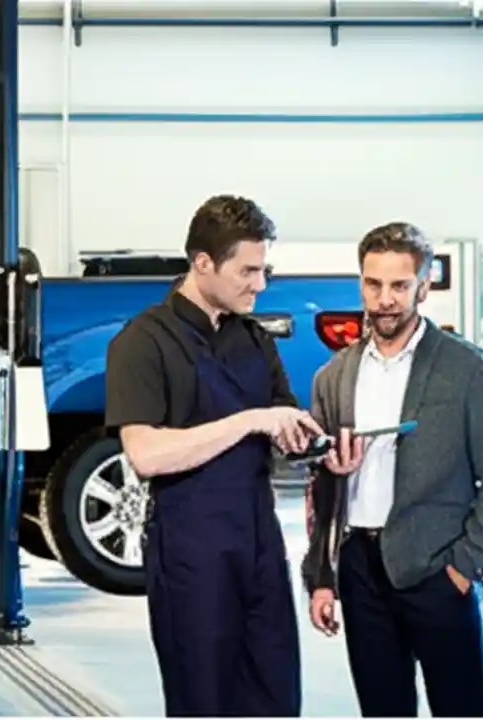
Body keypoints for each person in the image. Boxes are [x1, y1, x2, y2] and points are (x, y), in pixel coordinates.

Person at [105, 194, 322, 717]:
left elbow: (282, 421)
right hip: (191, 550)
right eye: (248, 270)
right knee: (203, 700)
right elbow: (147, 454)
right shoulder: (142, 343)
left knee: (277, 697)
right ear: (203, 264)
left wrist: (314, 444)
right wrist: (251, 420)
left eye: (264, 269)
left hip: (260, 540)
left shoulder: (252, 338)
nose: (260, 284)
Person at [301, 222, 483, 717]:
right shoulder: (333, 377)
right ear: (361, 282)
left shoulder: (468, 369)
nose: (385, 299)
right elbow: (322, 488)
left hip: (438, 569)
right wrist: (321, 577)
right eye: (373, 284)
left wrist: (466, 567)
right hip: (361, 569)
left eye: (400, 286)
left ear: (423, 286)